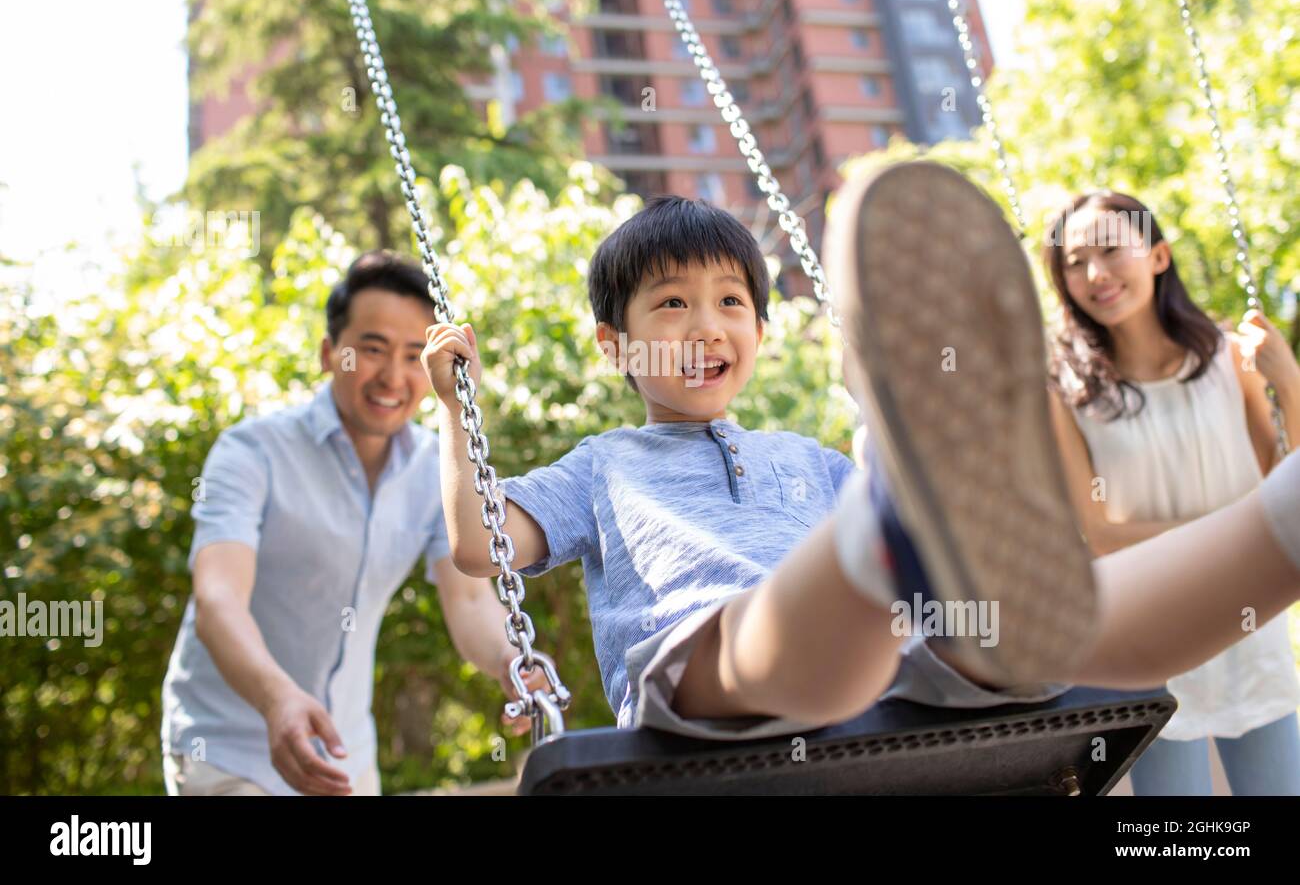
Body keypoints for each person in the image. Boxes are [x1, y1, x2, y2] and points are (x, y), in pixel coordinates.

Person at [423, 162, 1300, 745]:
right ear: (614, 346)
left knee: (1054, 636)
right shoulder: (604, 464)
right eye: (670, 304)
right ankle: (892, 525)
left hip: (882, 668)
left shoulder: (806, 460)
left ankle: (1282, 524)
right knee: (777, 639)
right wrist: (455, 414)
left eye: (732, 301)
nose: (707, 324)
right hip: (702, 686)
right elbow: (477, 539)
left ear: (760, 333)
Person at [162, 251, 542, 796]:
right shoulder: (251, 452)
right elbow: (218, 599)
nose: (393, 375)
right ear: (328, 353)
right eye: (371, 349)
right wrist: (277, 699)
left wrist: (509, 659)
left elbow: (471, 603)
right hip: (226, 750)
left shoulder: (434, 471)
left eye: (415, 355)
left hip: (345, 755)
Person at [1044, 189, 1300, 795]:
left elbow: (1284, 485)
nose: (1095, 274)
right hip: (1153, 638)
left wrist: (1288, 381)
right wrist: (1241, 540)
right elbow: (1101, 531)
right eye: (1075, 263)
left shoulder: (1229, 359)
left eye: (1110, 251)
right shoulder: (1064, 388)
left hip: (1248, 628)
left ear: (1158, 256)